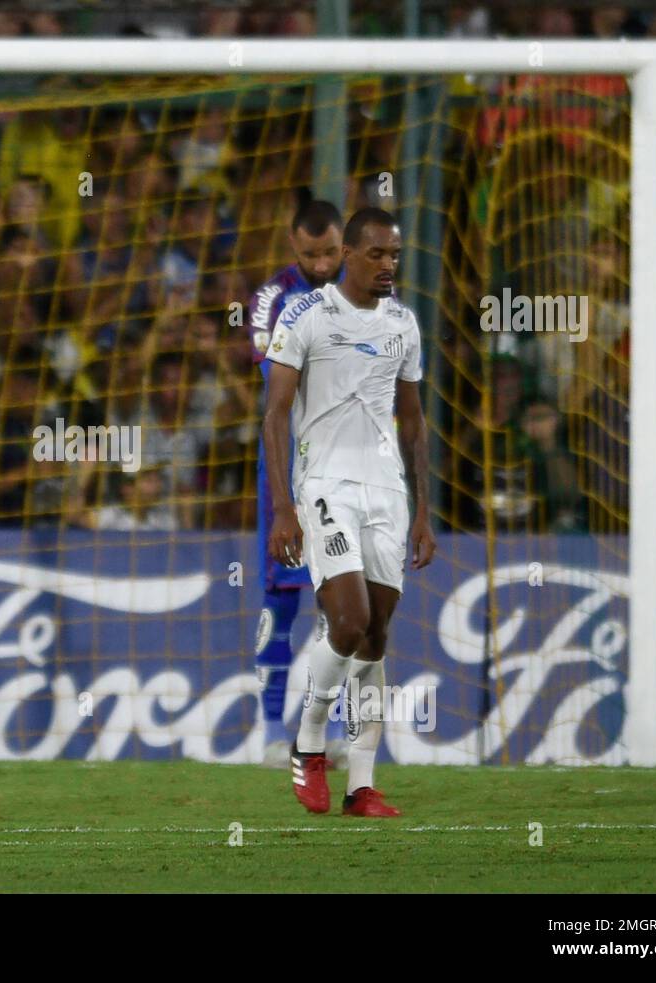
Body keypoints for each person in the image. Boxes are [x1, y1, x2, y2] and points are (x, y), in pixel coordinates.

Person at [263, 207, 436, 818]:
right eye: (379, 254)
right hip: (326, 486)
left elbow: (411, 420)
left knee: (378, 637)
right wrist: (283, 506)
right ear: (350, 255)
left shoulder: (403, 325)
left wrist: (421, 509)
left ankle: (361, 786)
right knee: (350, 620)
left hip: (387, 491)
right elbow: (275, 413)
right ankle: (309, 743)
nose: (390, 265)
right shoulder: (305, 316)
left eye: (396, 255)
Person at [246, 198, 344, 768]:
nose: (323, 263)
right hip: (287, 465)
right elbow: (278, 375)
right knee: (282, 599)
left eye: (331, 251)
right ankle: (266, 733)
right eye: (312, 254)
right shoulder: (271, 299)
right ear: (293, 247)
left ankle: (316, 730)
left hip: (347, 466)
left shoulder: (372, 293)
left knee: (338, 603)